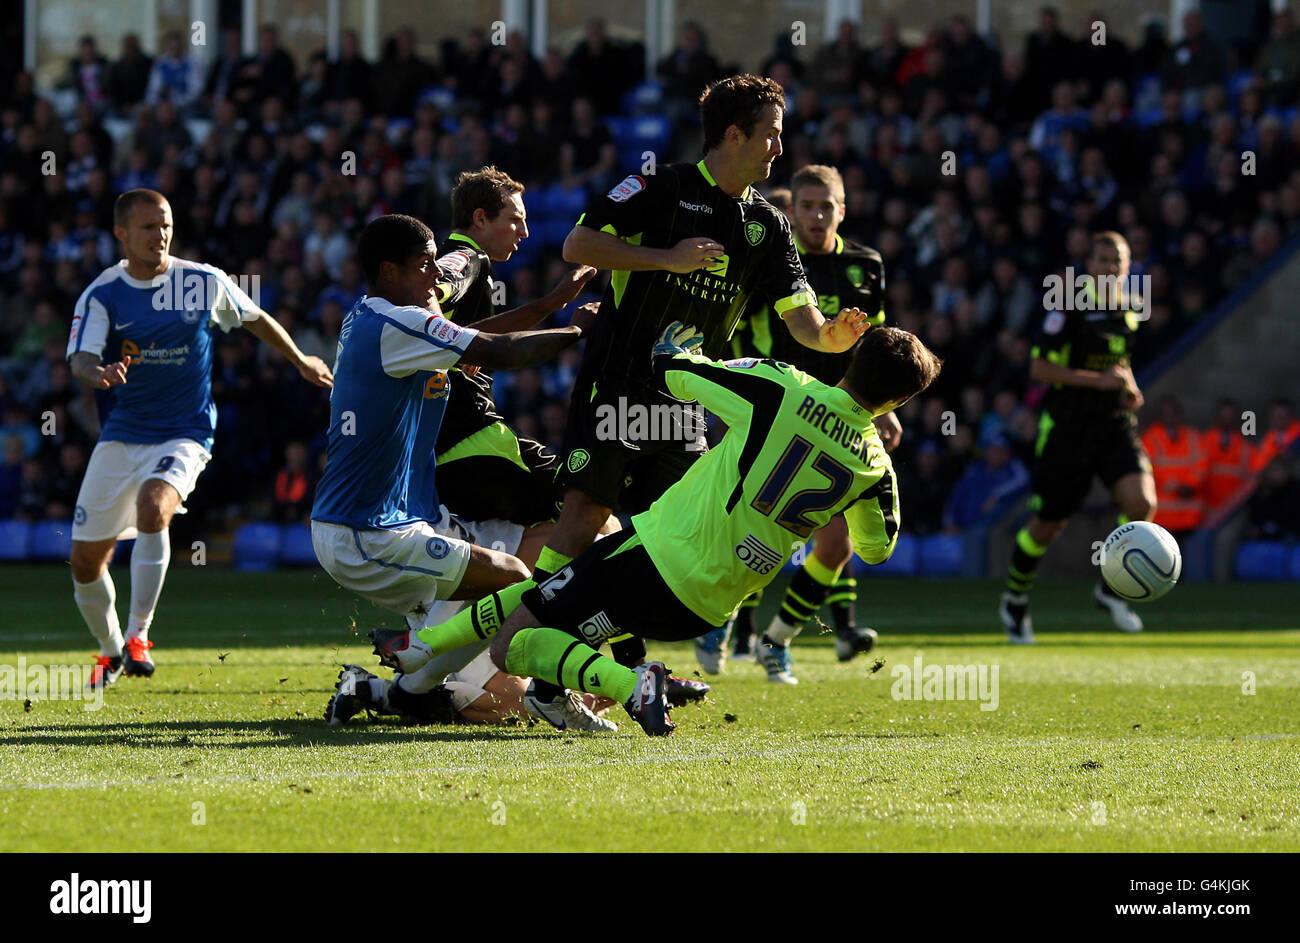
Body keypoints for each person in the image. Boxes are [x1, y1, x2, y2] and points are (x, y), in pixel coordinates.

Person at [371, 323, 941, 736]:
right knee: (547, 596)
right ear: (901, 400)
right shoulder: (876, 469)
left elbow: (677, 376)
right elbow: (875, 547)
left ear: (853, 357)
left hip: (659, 555)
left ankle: (634, 684)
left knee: (513, 642)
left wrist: (675, 347)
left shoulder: (783, 388)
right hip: (712, 606)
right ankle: (423, 650)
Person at [535, 74, 871, 701]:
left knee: (672, 540)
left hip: (688, 404)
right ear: (734, 134)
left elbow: (803, 324)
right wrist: (667, 258)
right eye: (770, 135)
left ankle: (589, 662)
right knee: (586, 517)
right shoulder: (662, 187)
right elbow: (577, 243)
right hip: (620, 386)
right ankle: (530, 639)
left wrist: (835, 339)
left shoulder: (767, 226)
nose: (778, 148)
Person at [310, 214, 616, 733]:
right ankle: (416, 677)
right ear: (389, 272)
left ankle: (387, 686)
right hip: (366, 533)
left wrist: (545, 306)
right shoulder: (396, 323)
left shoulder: (377, 319)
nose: (435, 276)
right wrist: (578, 328)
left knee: (553, 549)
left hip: (413, 522)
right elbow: (500, 350)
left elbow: (477, 337)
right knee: (515, 582)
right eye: (424, 265)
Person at [67, 189, 334, 689]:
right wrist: (98, 373)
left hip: (186, 431)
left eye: (165, 224)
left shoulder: (200, 281)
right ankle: (109, 652)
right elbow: (79, 357)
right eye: (147, 227)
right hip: (123, 433)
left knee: (154, 505)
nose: (160, 235)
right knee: (84, 561)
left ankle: (139, 635)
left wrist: (300, 360)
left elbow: (254, 318)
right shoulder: (102, 292)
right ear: (122, 234)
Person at [712, 164, 897, 681]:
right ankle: (728, 625)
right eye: (807, 206)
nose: (817, 216)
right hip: (781, 414)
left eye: (827, 206)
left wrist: (887, 409)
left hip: (846, 417)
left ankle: (776, 641)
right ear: (792, 211)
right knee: (761, 537)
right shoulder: (772, 259)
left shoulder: (866, 264)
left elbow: (878, 347)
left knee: (837, 544)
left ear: (843, 209)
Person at [999, 232, 1158, 644]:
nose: (1110, 267)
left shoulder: (1131, 306)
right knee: (1047, 526)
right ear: (1088, 264)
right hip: (1068, 427)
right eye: (1103, 259)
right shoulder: (1067, 304)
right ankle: (1015, 600)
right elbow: (1039, 369)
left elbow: (1120, 360)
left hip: (1114, 423)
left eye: (1117, 260)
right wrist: (1099, 380)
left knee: (1142, 503)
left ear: (1127, 266)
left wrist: (1128, 386)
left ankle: (1110, 589)